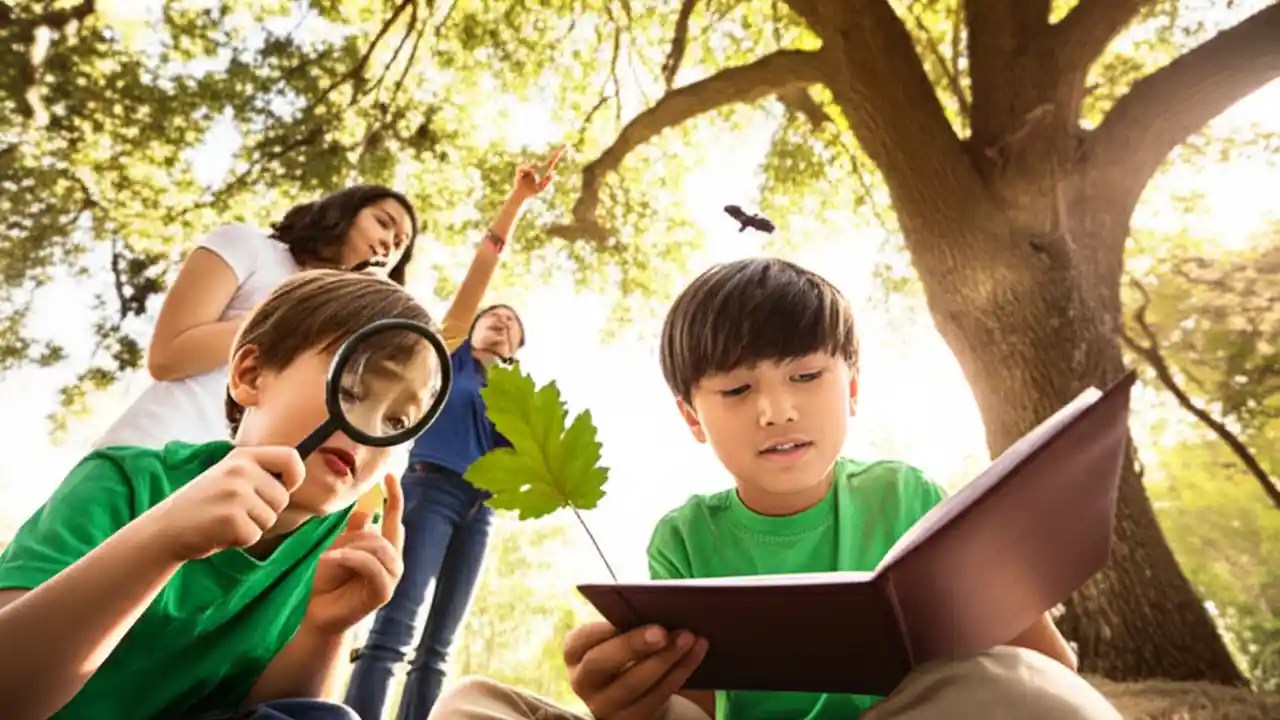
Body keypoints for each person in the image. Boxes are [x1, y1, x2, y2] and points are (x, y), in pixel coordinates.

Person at [428, 258, 1122, 720]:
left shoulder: (905, 495)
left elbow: (1049, 673)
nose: (776, 410)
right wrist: (632, 701)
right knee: (473, 703)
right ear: (692, 417)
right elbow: (693, 713)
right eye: (736, 389)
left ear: (851, 388)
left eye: (806, 376)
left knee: (1006, 683)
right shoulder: (685, 537)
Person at [0, 270, 441, 720]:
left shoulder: (338, 551)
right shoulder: (128, 482)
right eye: (351, 390)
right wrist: (162, 541)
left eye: (397, 424)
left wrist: (323, 630)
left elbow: (280, 714)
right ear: (250, 375)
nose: (369, 434)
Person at [343, 148, 561, 720]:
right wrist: (517, 202)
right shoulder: (449, 360)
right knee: (397, 621)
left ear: (518, 344)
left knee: (439, 644)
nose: (500, 320)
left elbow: (529, 467)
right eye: (494, 314)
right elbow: (483, 269)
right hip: (430, 489)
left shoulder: (517, 394)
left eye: (511, 322)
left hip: (481, 509)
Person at [94, 184, 419, 449]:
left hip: (235, 487)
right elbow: (168, 356)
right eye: (383, 222)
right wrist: (299, 305)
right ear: (344, 213)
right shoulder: (248, 247)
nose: (389, 243)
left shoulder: (352, 329)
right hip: (155, 445)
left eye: (400, 243)